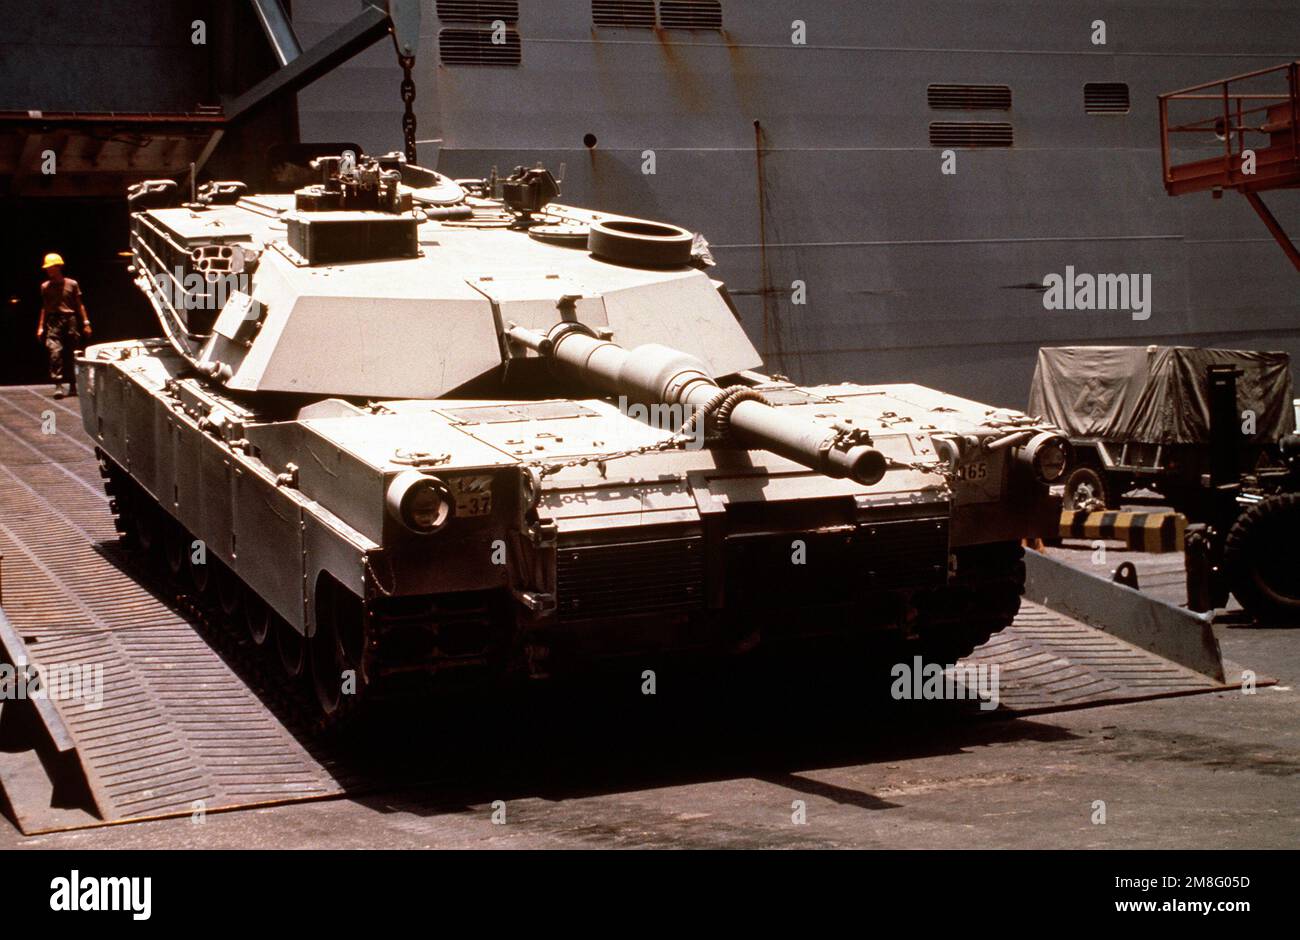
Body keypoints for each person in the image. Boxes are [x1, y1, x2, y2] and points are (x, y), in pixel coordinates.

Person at [35, 253, 91, 399]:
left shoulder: (71, 284)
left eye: (50, 267)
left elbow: (79, 305)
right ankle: (58, 384)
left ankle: (73, 384)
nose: (48, 270)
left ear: (58, 267)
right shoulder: (45, 286)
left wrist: (86, 322)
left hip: (70, 319)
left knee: (73, 353)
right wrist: (41, 326)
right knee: (55, 352)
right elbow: (44, 307)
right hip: (53, 321)